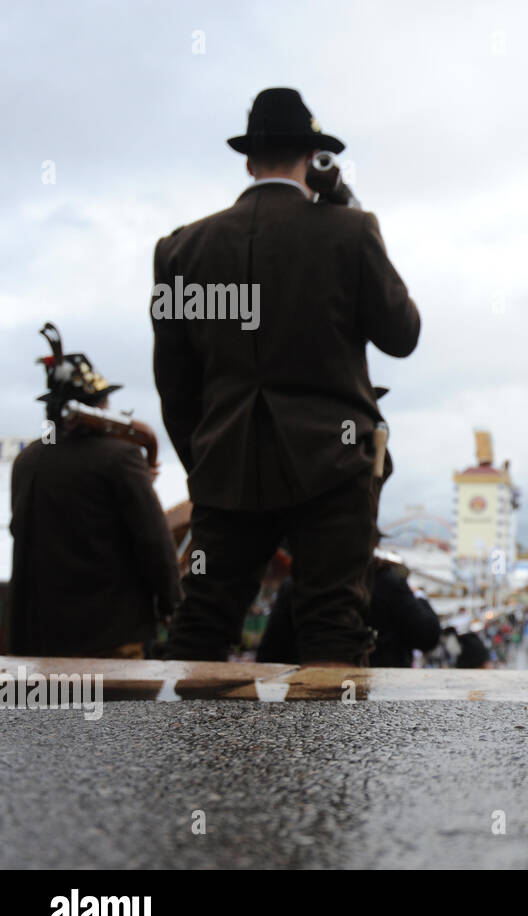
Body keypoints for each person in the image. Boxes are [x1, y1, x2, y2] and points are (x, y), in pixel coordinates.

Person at [152, 88, 420, 666]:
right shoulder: (349, 230)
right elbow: (403, 335)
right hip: (333, 460)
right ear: (311, 161)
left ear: (248, 162)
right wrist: (346, 205)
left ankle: (188, 754)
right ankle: (329, 756)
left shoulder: (181, 250)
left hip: (225, 463)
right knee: (333, 623)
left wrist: (205, 458)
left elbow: (173, 383)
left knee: (202, 621)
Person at [7, 325, 178, 658]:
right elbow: (153, 540)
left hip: (36, 643)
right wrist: (171, 602)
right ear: (98, 405)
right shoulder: (121, 456)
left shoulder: (27, 460)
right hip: (109, 640)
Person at [257, 551, 442, 667]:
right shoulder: (387, 582)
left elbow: (269, 654)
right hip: (382, 696)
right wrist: (419, 597)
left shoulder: (296, 584)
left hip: (306, 696)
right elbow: (427, 635)